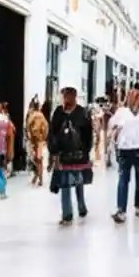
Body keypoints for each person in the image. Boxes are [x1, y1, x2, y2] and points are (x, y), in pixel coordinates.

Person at [48, 86, 93, 225]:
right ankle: (67, 213)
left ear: (74, 96)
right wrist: (53, 153)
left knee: (78, 181)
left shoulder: (82, 113)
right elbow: (52, 133)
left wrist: (86, 151)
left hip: (79, 155)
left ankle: (81, 206)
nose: (65, 98)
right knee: (65, 183)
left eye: (68, 95)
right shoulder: (58, 113)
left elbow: (88, 135)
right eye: (64, 95)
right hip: (64, 154)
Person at [109, 89, 139, 222]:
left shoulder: (125, 112)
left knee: (131, 178)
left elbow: (112, 124)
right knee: (128, 178)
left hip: (131, 149)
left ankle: (129, 207)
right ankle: (127, 208)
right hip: (134, 150)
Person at [26, 98, 49, 187]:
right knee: (40, 159)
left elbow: (27, 127)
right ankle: (40, 178)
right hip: (40, 141)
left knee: (35, 159)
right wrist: (44, 138)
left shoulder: (32, 116)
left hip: (33, 141)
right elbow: (46, 127)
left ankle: (37, 177)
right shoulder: (42, 116)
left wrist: (29, 138)